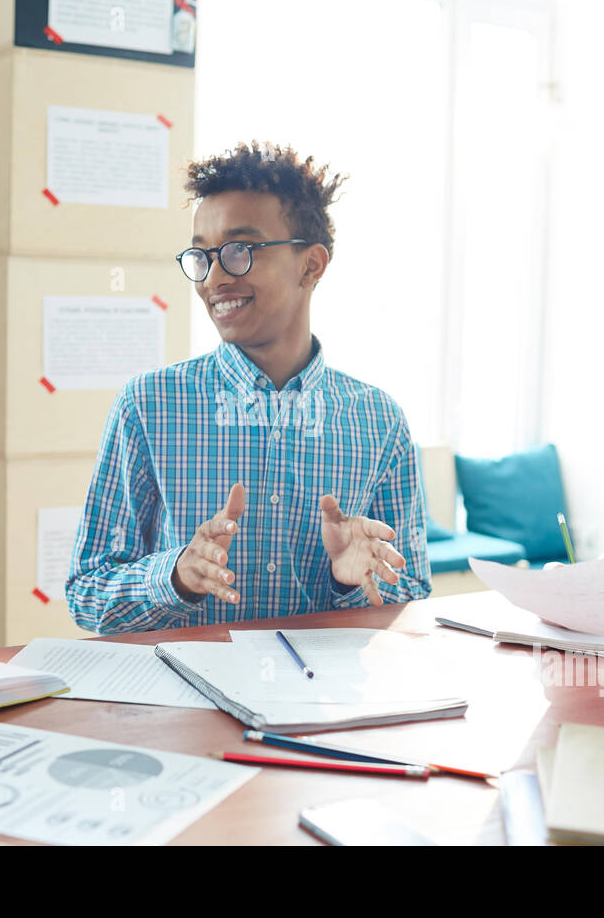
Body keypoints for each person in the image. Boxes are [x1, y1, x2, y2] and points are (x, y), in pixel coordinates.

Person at [67, 141, 431, 634]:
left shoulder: (378, 420)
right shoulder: (149, 406)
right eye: (202, 255)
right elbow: (88, 593)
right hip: (184, 700)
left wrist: (348, 583)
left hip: (317, 704)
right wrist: (175, 577)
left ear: (312, 265)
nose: (214, 278)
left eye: (240, 251)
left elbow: (412, 595)